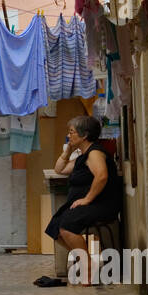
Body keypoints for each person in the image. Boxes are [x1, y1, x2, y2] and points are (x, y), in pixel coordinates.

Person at [42, 115, 122, 286]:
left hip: (101, 204)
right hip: (89, 204)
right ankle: (85, 260)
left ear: (84, 135)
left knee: (67, 225)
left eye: (71, 132)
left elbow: (101, 176)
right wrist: (67, 151)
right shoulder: (82, 156)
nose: (69, 136)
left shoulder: (95, 153)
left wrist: (87, 199)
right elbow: (60, 169)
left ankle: (87, 268)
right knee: (55, 225)